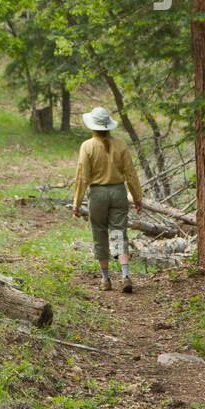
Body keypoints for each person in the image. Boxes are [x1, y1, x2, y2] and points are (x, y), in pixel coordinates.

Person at [72, 106, 142, 292]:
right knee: (119, 232)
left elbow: (82, 177)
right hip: (119, 192)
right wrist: (137, 197)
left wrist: (76, 204)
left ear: (92, 126)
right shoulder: (121, 144)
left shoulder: (87, 146)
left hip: (98, 195)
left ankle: (105, 279)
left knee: (100, 233)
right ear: (108, 126)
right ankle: (125, 275)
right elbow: (131, 174)